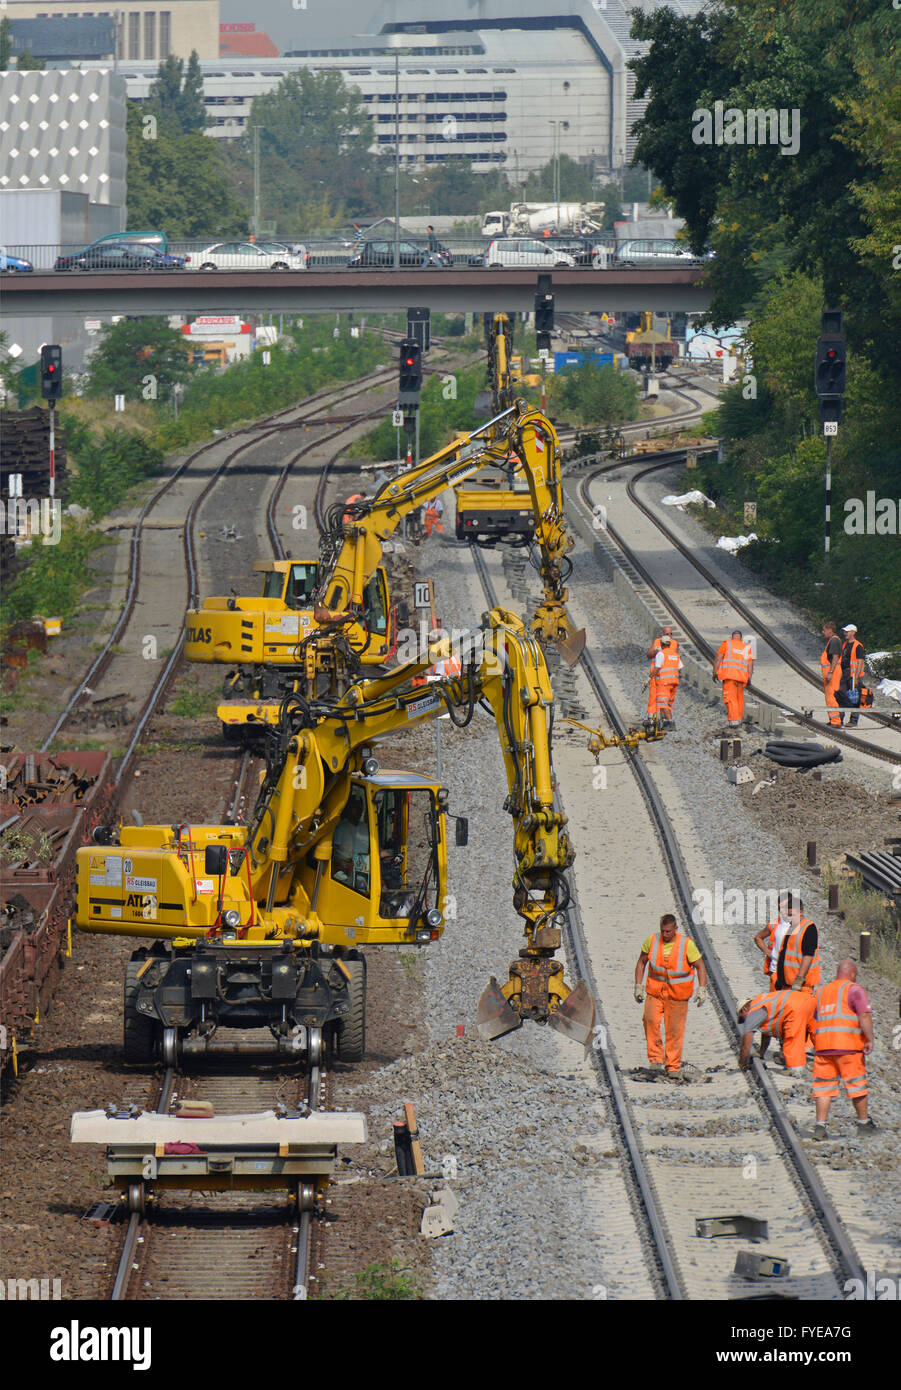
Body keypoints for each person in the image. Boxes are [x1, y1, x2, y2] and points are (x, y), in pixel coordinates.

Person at [811, 960, 877, 1139]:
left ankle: (820, 1127)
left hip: (824, 1048)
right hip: (848, 1048)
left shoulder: (822, 991)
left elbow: (818, 1016)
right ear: (853, 974)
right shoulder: (854, 989)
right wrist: (870, 1039)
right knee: (857, 1085)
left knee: (823, 1088)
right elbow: (863, 1016)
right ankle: (863, 1124)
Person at [634, 913, 707, 1076]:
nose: (665, 935)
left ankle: (673, 1066)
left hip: (677, 996)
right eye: (663, 931)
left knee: (674, 1030)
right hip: (655, 992)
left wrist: (701, 989)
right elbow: (641, 962)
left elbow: (700, 966)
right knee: (650, 1020)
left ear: (675, 928)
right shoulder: (652, 941)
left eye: (668, 931)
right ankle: (656, 1059)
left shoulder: (686, 945)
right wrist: (638, 985)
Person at [737, 989, 815, 1072]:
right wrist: (761, 1054)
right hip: (810, 1000)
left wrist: (742, 1063)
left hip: (795, 1008)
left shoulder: (753, 1011)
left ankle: (796, 1071)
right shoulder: (762, 1002)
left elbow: (746, 1043)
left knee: (792, 1040)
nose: (745, 1021)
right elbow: (766, 1035)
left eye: (742, 1018)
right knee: (819, 1034)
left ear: (744, 1009)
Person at [753, 891, 795, 986]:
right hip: (775, 971)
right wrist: (769, 953)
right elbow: (758, 938)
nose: (783, 910)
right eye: (781, 907)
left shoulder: (799, 925)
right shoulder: (774, 924)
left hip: (792, 973)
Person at [713, 629, 753, 728]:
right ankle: (738, 720)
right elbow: (750, 664)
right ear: (741, 638)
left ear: (732, 637)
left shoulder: (727, 644)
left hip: (729, 676)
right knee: (739, 699)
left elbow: (718, 658)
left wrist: (714, 672)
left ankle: (734, 722)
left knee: (730, 699)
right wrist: (749, 678)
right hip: (742, 678)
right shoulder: (746, 647)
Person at [332, 793, 371, 893]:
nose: (358, 810)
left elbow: (373, 850)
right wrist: (345, 865)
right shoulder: (340, 827)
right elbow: (333, 853)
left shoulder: (366, 828)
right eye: (355, 807)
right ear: (349, 808)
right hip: (344, 869)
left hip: (365, 870)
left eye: (360, 807)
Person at [648, 635, 682, 728]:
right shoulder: (675, 655)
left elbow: (657, 667)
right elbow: (680, 668)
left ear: (661, 644)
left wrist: (649, 677)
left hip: (664, 682)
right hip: (674, 683)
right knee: (669, 703)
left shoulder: (661, 654)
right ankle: (667, 722)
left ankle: (670, 723)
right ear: (670, 644)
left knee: (662, 703)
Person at [837, 624, 866, 727]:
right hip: (844, 673)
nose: (845, 633)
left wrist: (857, 677)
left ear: (853, 632)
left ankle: (853, 720)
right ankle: (839, 719)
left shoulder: (858, 646)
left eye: (847, 631)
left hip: (853, 675)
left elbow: (860, 662)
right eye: (845, 631)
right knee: (841, 695)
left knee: (855, 697)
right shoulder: (845, 644)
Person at [820, 620, 843, 726]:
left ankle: (836, 721)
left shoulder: (834, 641)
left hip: (832, 672)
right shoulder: (832, 640)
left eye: (824, 630)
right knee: (830, 696)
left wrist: (830, 672)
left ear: (830, 630)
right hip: (831, 671)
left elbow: (835, 658)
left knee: (832, 696)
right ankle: (833, 719)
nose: (822, 632)